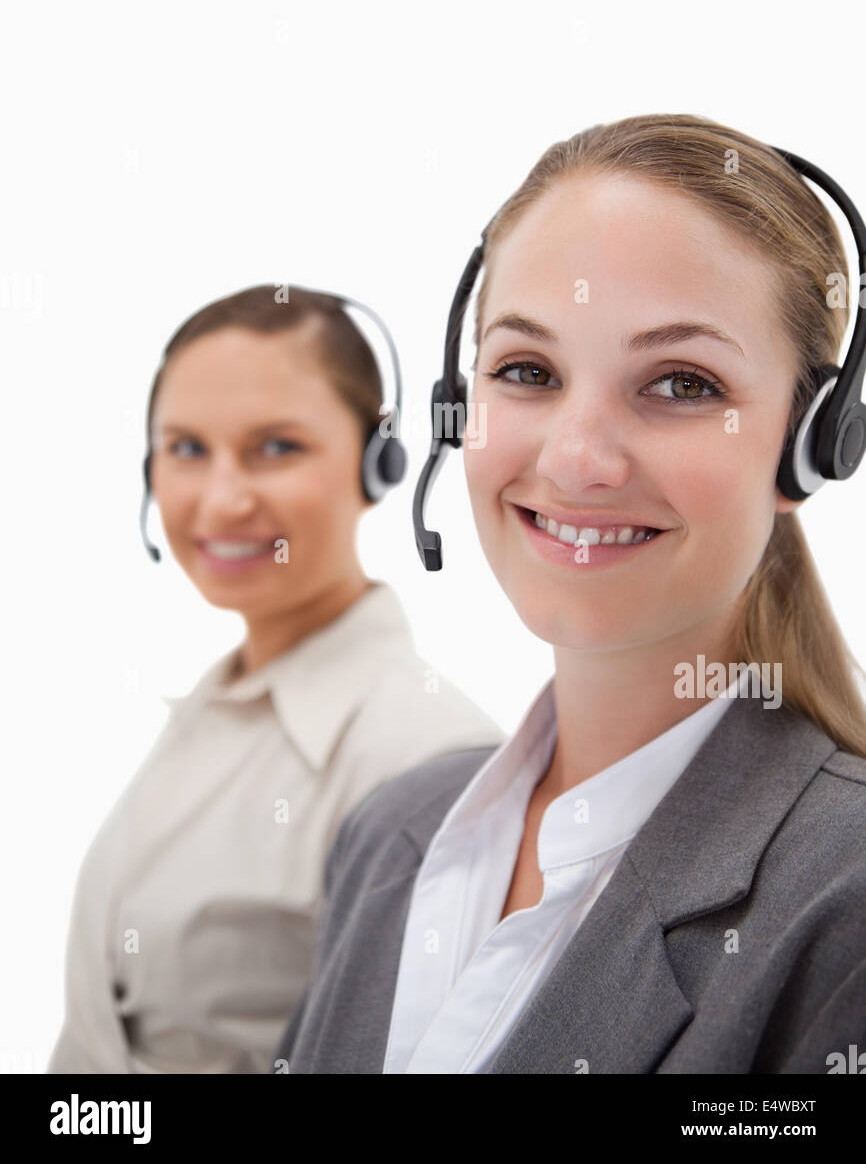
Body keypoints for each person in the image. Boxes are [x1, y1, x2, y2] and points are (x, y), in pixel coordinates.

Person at [274, 114, 866, 1074]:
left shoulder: (842, 899)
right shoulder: (390, 835)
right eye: (528, 371)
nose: (578, 458)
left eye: (680, 382)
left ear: (814, 442)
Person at [47, 283, 503, 1074]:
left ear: (378, 460)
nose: (222, 499)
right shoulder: (217, 706)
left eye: (276, 447)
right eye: (187, 449)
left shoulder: (425, 759)